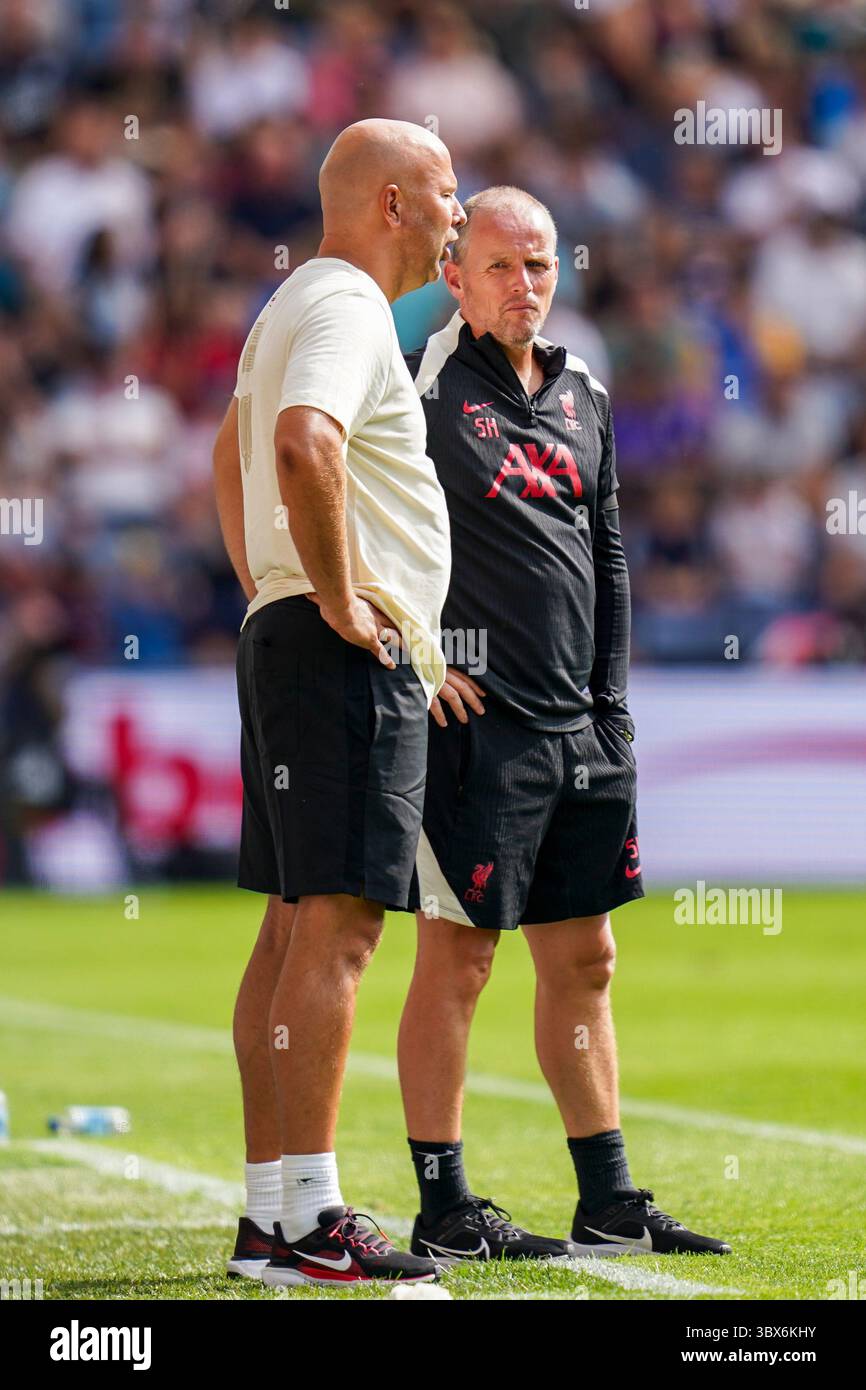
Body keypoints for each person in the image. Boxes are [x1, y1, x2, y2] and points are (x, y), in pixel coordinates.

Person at [399, 186, 732, 1260]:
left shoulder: (582, 386)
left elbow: (608, 553)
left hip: (579, 725)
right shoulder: (421, 381)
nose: (522, 286)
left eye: (538, 265)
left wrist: (614, 705)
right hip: (475, 720)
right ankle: (444, 1204)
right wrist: (416, 647)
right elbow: (359, 510)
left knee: (583, 957)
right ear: (454, 274)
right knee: (459, 958)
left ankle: (607, 1197)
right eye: (499, 266)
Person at [211, 119, 465, 1286]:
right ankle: (312, 1216)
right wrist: (340, 596)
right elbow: (299, 444)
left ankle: (272, 1216)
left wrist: (272, 586)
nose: (456, 216)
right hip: (336, 645)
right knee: (344, 925)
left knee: (290, 925)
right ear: (393, 203)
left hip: (288, 630)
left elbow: (230, 456)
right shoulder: (350, 305)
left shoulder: (293, 305)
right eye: (446, 193)